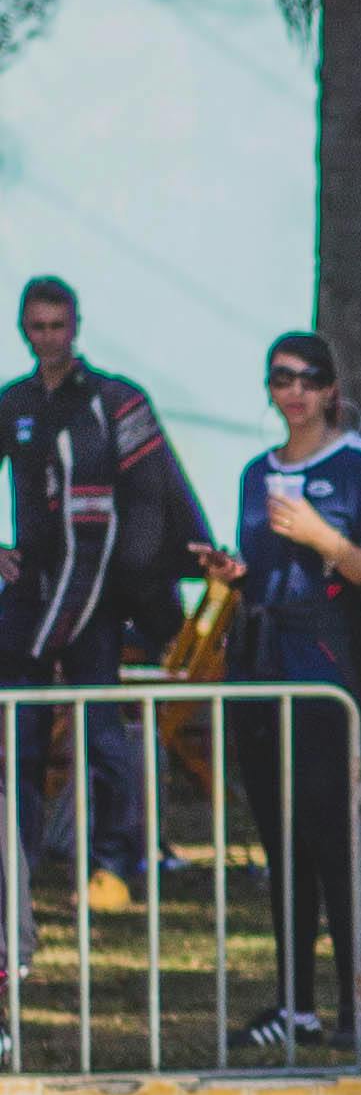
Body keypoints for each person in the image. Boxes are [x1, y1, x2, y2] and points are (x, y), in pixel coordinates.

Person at [194, 336, 361, 1049]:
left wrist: (324, 539)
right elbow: (261, 572)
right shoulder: (256, 472)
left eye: (308, 379)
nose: (294, 392)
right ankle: (296, 1004)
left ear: (331, 388)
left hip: (324, 658)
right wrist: (231, 572)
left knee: (332, 835)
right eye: (281, 379)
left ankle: (355, 1006)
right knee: (280, 839)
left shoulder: (359, 463)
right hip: (259, 655)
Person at [0, 276, 204, 906]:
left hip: (97, 591)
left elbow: (155, 494)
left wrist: (146, 576)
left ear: (77, 326)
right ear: (23, 330)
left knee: (103, 733)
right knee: (22, 732)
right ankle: (20, 864)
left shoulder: (113, 399)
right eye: (37, 327)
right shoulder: (13, 401)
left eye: (58, 326)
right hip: (30, 589)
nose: (48, 338)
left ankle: (112, 863)